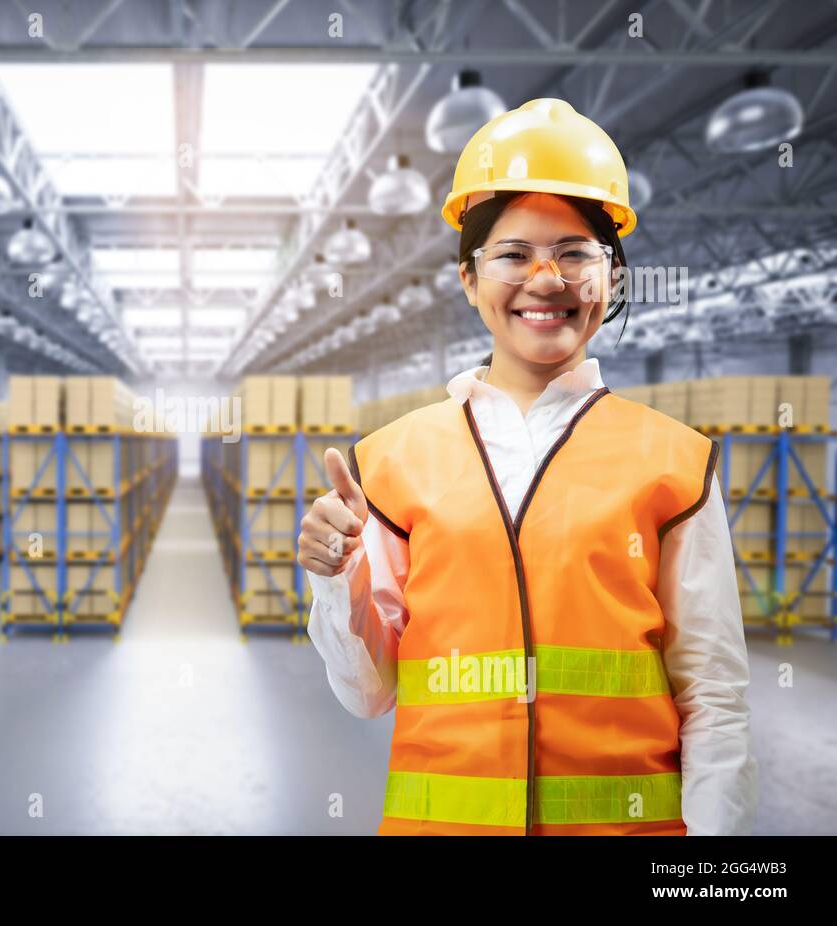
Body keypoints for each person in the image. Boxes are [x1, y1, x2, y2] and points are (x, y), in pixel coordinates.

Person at [300, 98, 757, 836]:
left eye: (575, 253)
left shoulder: (674, 466)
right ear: (469, 280)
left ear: (611, 279)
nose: (546, 279)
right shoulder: (392, 462)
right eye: (513, 254)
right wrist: (335, 579)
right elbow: (368, 694)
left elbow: (714, 698)